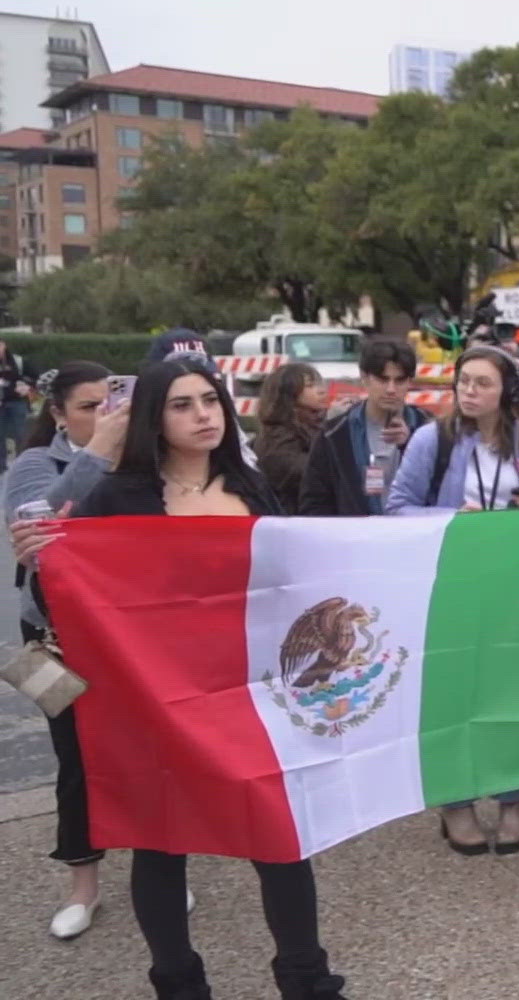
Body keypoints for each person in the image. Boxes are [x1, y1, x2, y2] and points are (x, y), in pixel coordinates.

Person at [69, 360, 347, 999]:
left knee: (279, 835)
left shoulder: (250, 488)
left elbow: (292, 582)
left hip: (248, 696)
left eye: (211, 401)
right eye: (181, 404)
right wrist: (43, 550)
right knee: (160, 844)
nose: (203, 415)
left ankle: (308, 981)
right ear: (153, 420)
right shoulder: (117, 499)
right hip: (156, 701)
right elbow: (73, 588)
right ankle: (179, 985)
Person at [387, 345, 519, 853]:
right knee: (452, 696)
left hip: (515, 588)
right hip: (451, 589)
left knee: (511, 696)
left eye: (482, 382)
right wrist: (450, 522)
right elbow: (396, 508)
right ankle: (455, 803)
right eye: (463, 381)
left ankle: (513, 800)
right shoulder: (430, 441)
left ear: (506, 391)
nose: (469, 390)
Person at [4, 361, 125, 939]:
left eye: (111, 404)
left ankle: (163, 865)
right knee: (75, 759)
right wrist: (98, 452)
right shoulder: (35, 464)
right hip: (59, 639)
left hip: (128, 634)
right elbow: (37, 533)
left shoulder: (140, 460)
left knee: (143, 754)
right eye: (87, 407)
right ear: (58, 414)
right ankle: (84, 885)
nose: (103, 416)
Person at [299, 338, 432, 517]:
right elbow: (314, 502)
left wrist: (410, 445)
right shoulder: (335, 433)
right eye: (382, 379)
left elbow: (443, 491)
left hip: (414, 537)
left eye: (399, 380)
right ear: (364, 378)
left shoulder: (429, 430)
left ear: (410, 382)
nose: (391, 389)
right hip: (355, 540)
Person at [254, 363, 328, 510]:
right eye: (310, 385)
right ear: (289, 394)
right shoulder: (276, 438)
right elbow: (310, 473)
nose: (321, 391)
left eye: (320, 384)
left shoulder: (313, 425)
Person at [0, 337, 31, 469]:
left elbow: (35, 376)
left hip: (17, 402)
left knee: (20, 434)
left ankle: (22, 464)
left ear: (4, 345)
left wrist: (27, 386)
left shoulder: (17, 361)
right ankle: (1, 466)